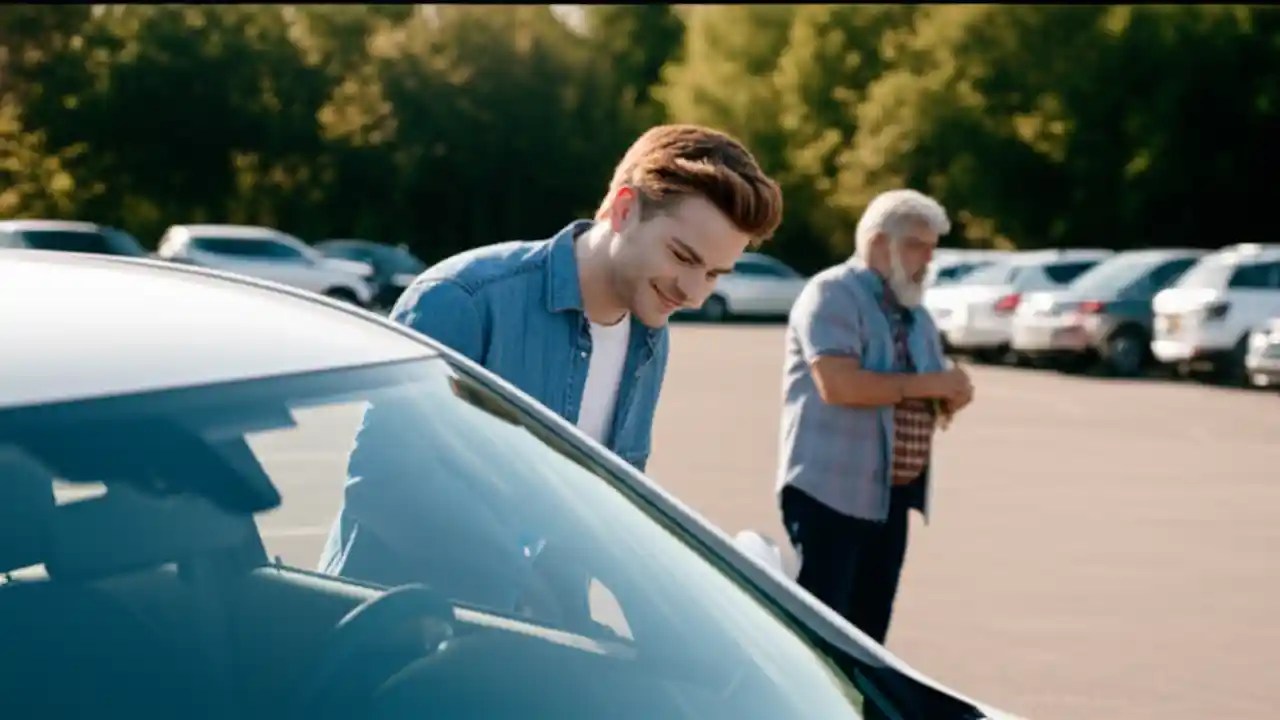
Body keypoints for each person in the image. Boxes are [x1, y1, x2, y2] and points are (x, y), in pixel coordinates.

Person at [318, 124, 784, 600]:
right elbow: (384, 488)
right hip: (392, 631)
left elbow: (614, 504)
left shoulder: (648, 333)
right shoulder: (464, 301)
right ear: (625, 210)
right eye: (682, 256)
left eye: (713, 273)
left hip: (528, 644)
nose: (693, 293)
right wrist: (527, 596)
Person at [775, 188, 974, 646]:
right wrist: (930, 386)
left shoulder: (915, 313)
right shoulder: (831, 294)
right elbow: (839, 384)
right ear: (880, 243)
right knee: (821, 638)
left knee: (868, 642)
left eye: (931, 247)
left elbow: (931, 389)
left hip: (891, 498)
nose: (928, 258)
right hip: (829, 494)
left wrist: (952, 394)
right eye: (917, 245)